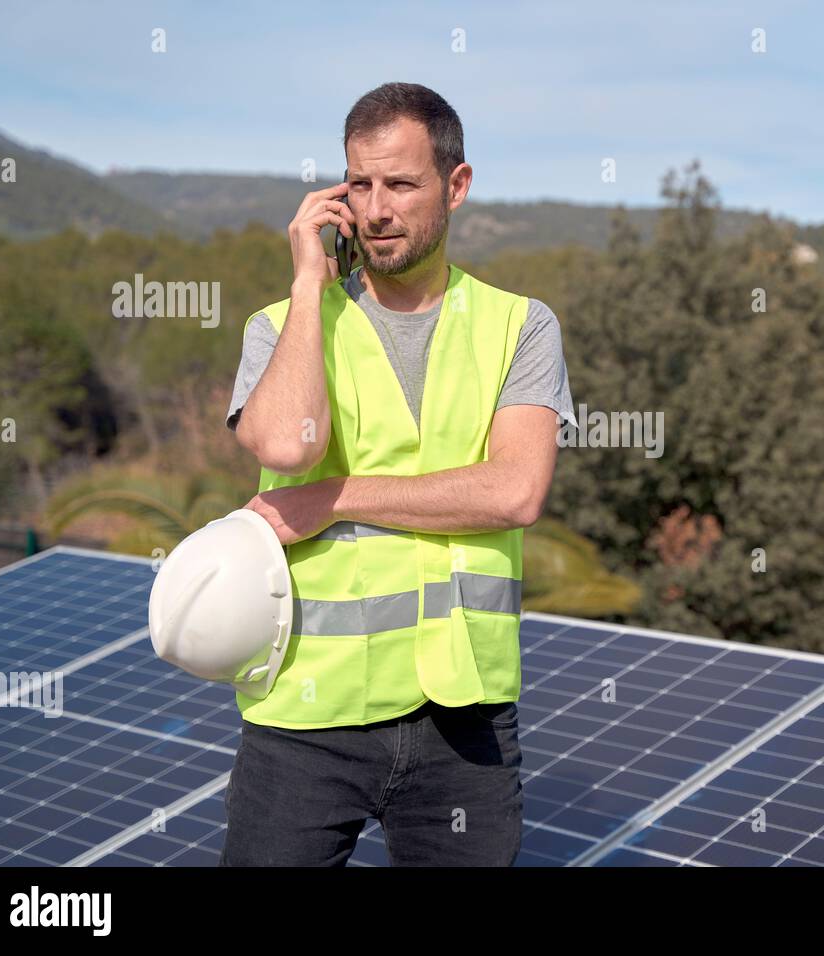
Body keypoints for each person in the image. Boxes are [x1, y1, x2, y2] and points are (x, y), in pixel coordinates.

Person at [218, 82, 576, 866]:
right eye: (360, 184)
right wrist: (310, 284)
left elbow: (514, 491)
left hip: (465, 723)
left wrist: (335, 501)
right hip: (305, 717)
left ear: (457, 185)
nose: (377, 209)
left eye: (402, 184)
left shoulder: (522, 326)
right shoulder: (280, 326)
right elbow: (283, 446)